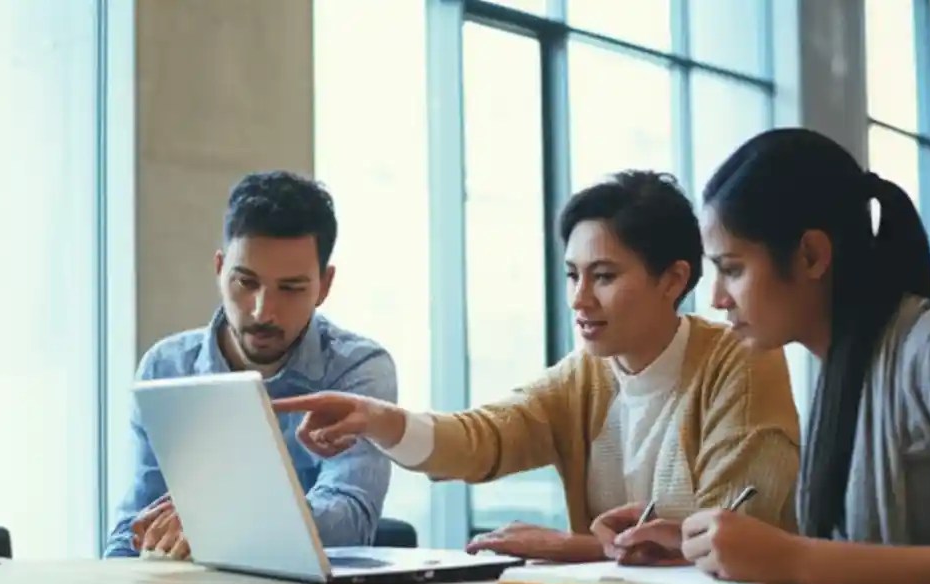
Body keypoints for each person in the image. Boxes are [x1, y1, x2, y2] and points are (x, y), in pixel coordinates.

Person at [598, 127, 930, 584]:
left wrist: (795, 558)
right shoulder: (841, 369)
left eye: (734, 269)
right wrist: (693, 546)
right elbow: (854, 555)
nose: (719, 297)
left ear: (811, 255)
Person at [273, 171, 800, 563]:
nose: (579, 299)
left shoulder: (740, 360)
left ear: (672, 279)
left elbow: (732, 536)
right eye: (573, 275)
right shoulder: (585, 376)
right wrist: (376, 418)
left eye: (604, 276)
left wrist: (575, 548)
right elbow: (484, 438)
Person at [103, 171, 397, 559]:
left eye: (290, 289)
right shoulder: (166, 367)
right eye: (246, 282)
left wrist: (220, 521)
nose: (262, 311)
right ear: (220, 268)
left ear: (324, 286)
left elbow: (351, 517)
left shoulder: (357, 368)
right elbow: (131, 529)